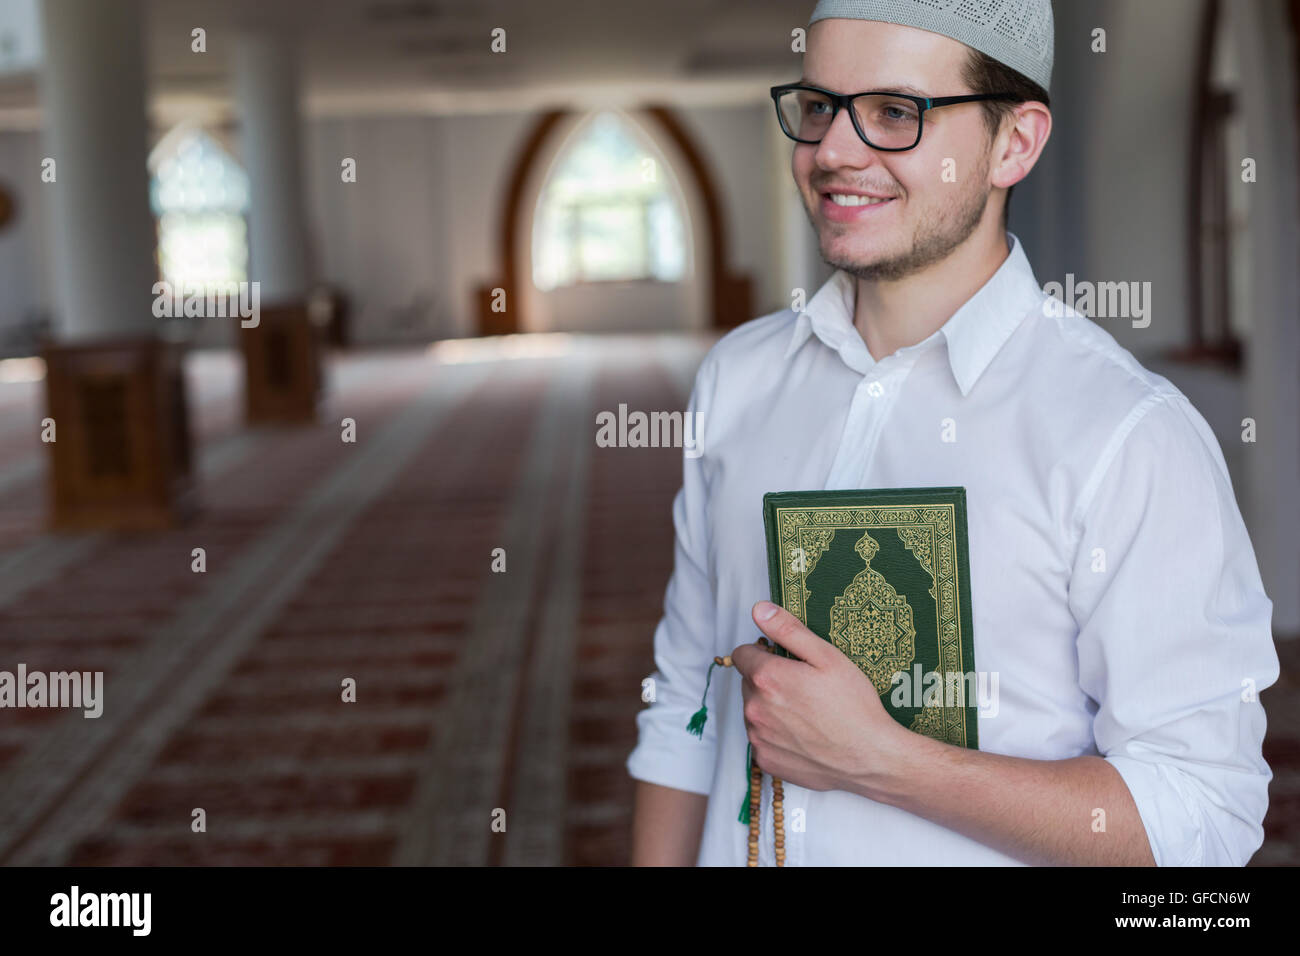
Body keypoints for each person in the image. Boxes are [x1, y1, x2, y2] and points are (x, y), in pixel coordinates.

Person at [626, 0, 1280, 866]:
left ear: (1016, 142)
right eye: (819, 107)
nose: (833, 152)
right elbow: (685, 703)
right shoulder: (738, 382)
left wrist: (883, 761)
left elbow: (1202, 816)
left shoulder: (1124, 436)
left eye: (896, 113)